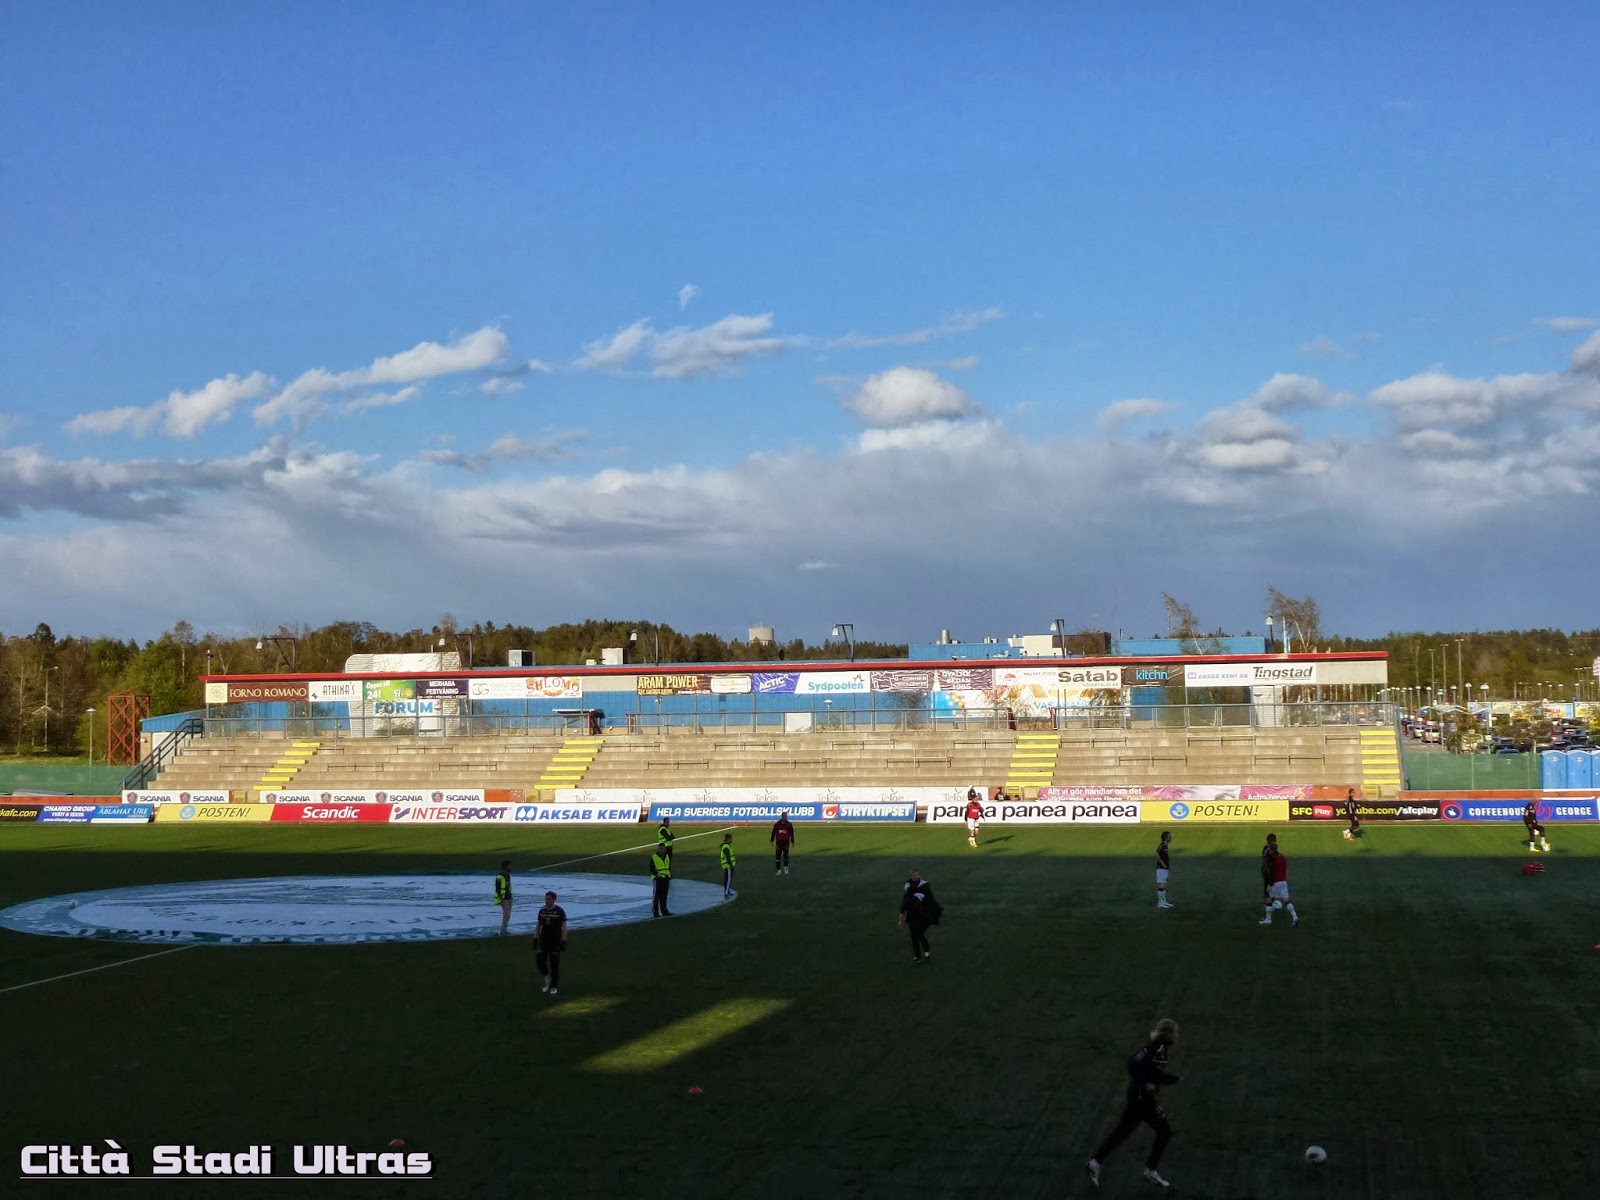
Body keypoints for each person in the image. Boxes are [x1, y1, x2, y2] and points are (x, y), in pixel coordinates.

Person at [1086, 1018, 1180, 1190]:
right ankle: (1150, 1171)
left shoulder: (1159, 1048)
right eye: (1174, 1033)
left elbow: (1152, 1072)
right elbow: (1133, 1065)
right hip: (1142, 1098)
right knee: (1164, 1131)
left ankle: (1095, 1162)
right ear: (1167, 1033)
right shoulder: (1157, 1048)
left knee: (1122, 1131)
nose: (1176, 1036)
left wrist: (1165, 1080)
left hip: (1137, 1096)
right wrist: (1150, 1082)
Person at [898, 869, 941, 964]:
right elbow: (905, 900)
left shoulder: (925, 886)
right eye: (914, 875)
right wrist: (902, 912)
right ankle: (918, 956)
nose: (916, 877)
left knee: (919, 933)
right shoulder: (908, 886)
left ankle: (926, 952)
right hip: (912, 914)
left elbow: (930, 899)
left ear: (919, 875)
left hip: (923, 914)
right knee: (914, 935)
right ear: (910, 877)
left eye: (917, 875)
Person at [534, 890, 568, 995]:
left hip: (555, 941)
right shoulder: (542, 911)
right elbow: (538, 925)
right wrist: (535, 938)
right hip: (544, 940)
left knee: (554, 965)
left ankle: (554, 986)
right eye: (546, 899)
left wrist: (564, 941)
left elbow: (564, 927)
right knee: (540, 961)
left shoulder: (559, 911)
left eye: (548, 899)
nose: (546, 901)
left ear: (554, 900)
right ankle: (546, 976)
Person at [1260, 845, 1299, 926]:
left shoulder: (1271, 859)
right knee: (1286, 900)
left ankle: (1268, 920)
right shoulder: (1282, 856)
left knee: (1268, 899)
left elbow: (1272, 873)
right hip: (1283, 881)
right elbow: (1285, 867)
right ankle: (1295, 917)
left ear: (1270, 849)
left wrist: (1269, 885)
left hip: (1275, 882)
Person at [650, 845, 673, 917]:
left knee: (664, 895)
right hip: (658, 879)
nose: (660, 850)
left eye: (662, 849)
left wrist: (669, 875)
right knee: (656, 896)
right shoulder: (654, 857)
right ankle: (655, 912)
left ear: (665, 849)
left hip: (666, 878)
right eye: (659, 849)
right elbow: (651, 867)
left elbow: (667, 867)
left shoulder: (667, 857)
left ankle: (664, 910)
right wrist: (656, 874)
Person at [494, 859, 513, 936]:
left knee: (507, 915)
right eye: (509, 866)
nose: (510, 867)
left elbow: (509, 886)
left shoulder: (508, 875)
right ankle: (502, 931)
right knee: (507, 914)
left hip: (509, 897)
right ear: (505, 867)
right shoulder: (500, 876)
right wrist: (501, 898)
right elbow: (498, 889)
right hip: (504, 898)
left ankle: (504, 930)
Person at [1155, 832, 1174, 909]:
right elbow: (1156, 854)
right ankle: (1160, 903)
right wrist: (1162, 863)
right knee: (1162, 886)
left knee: (1164, 885)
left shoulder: (1165, 845)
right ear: (1166, 838)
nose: (1171, 837)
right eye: (1169, 836)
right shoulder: (1162, 845)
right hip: (1161, 868)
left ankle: (1164, 901)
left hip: (1165, 868)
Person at [1259, 833, 1277, 901]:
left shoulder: (1274, 848)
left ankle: (1272, 899)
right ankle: (1268, 900)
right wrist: (1268, 871)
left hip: (1271, 870)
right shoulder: (1266, 849)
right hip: (1267, 871)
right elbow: (1265, 860)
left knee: (1273, 885)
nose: (1275, 841)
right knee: (1268, 886)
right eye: (1273, 840)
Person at [719, 832, 737, 899]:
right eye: (731, 838)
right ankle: (726, 892)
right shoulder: (726, 847)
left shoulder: (726, 846)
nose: (732, 840)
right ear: (728, 839)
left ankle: (727, 890)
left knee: (727, 878)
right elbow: (728, 857)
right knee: (728, 879)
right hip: (728, 865)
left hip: (727, 865)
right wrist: (731, 864)